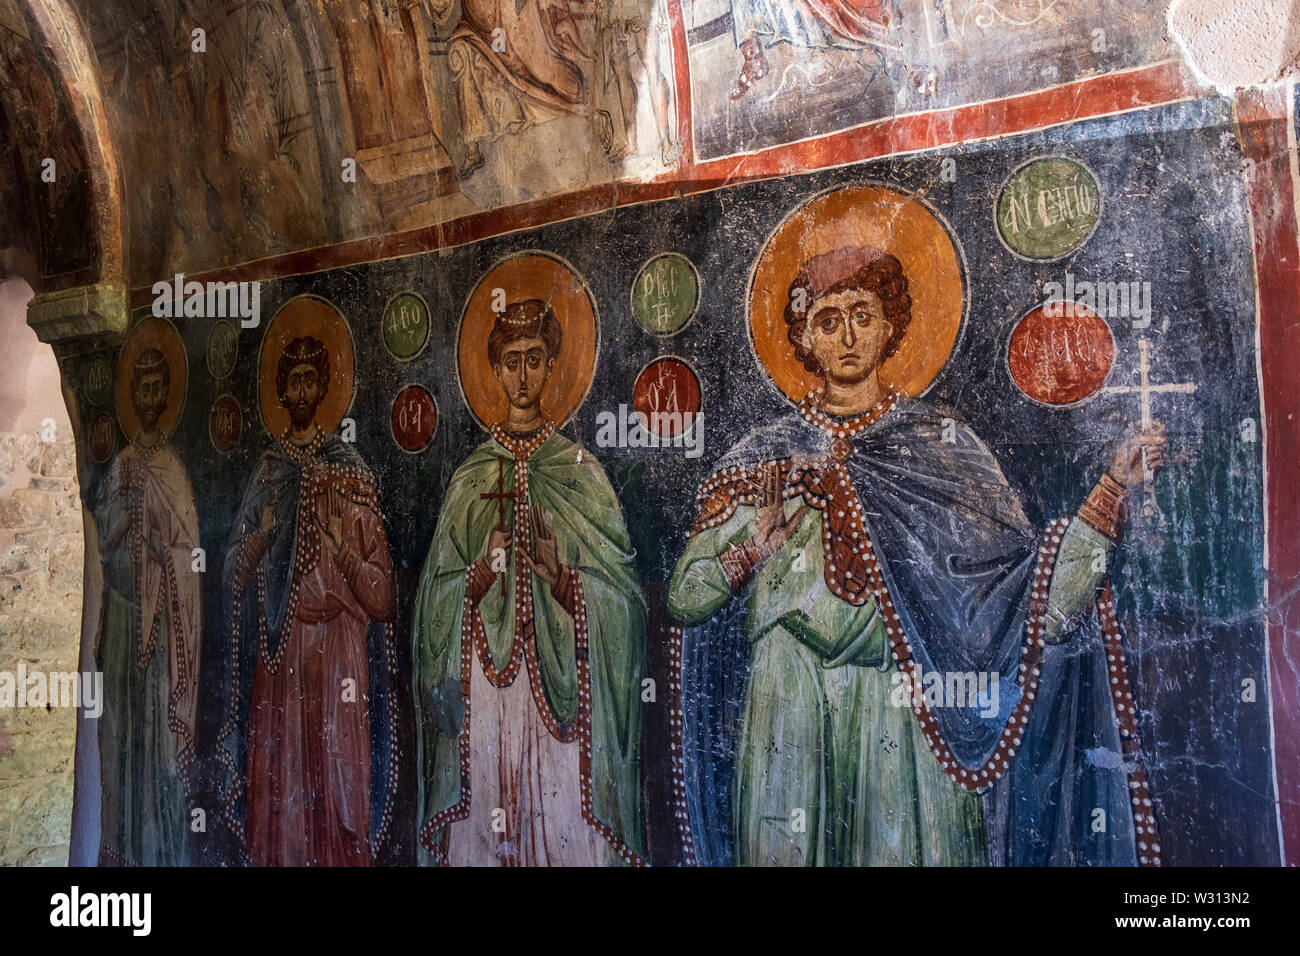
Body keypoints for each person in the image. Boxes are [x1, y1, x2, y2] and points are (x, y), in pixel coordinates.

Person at [668, 245, 1167, 865]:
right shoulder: (765, 456)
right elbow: (685, 599)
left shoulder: (941, 450)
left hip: (901, 708)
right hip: (788, 702)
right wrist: (749, 549)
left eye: (862, 313)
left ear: (890, 325)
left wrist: (1110, 490)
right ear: (803, 337)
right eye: (827, 320)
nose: (847, 334)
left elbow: (1026, 605)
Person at [411, 299, 647, 865]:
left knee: (558, 819)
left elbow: (629, 608)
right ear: (494, 367)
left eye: (534, 359)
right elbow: (429, 606)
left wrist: (564, 581)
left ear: (552, 366)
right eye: (511, 360)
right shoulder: (470, 479)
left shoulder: (580, 474)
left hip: (562, 702)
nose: (522, 375)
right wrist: (477, 576)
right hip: (485, 696)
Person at [218, 336, 397, 866]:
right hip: (283, 647)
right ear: (281, 390)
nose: (300, 389)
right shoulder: (269, 472)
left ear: (323, 388)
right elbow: (229, 573)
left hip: (339, 649)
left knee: (337, 774)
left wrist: (342, 551)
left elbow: (384, 597)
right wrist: (259, 539)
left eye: (309, 378)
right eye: (291, 379)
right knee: (284, 778)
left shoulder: (352, 471)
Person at [94, 347, 202, 866]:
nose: (152, 397)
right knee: (122, 737)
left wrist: (163, 554)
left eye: (160, 387)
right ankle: (121, 855)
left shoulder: (173, 471)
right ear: (132, 396)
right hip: (122, 628)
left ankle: (161, 852)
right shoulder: (120, 467)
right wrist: (122, 525)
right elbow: (104, 549)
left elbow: (190, 558)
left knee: (157, 743)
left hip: (160, 631)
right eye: (144, 388)